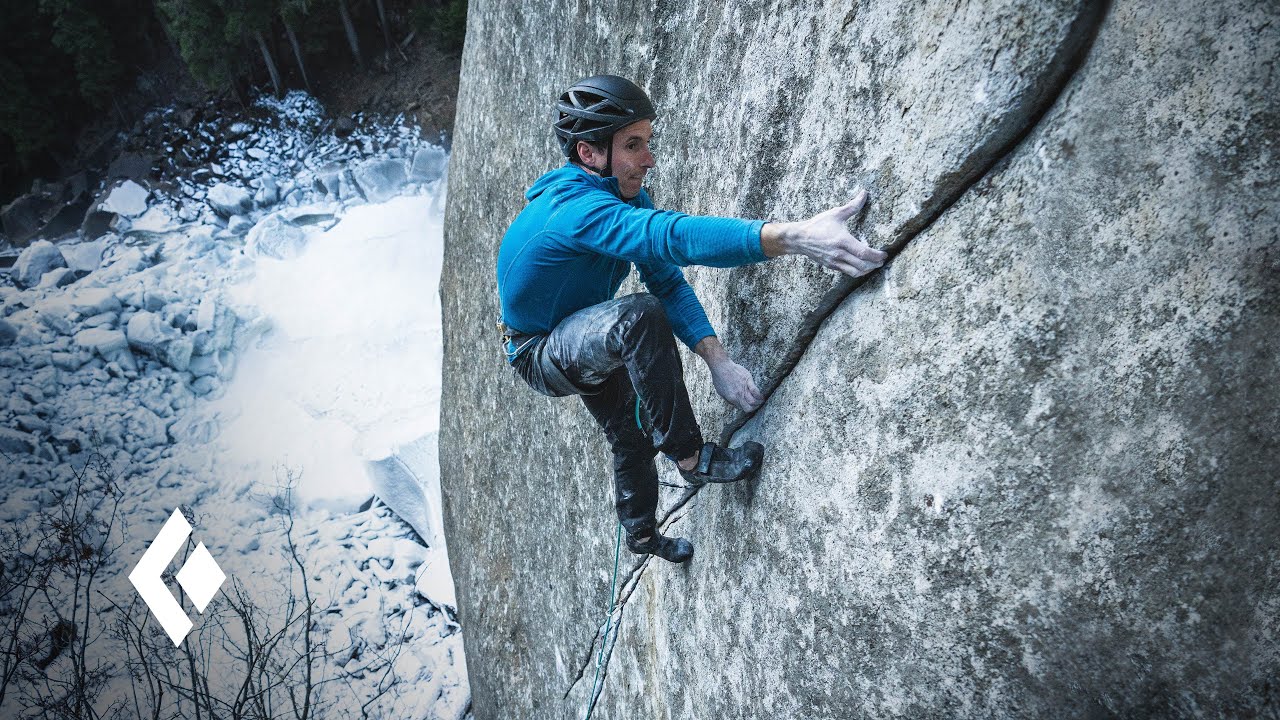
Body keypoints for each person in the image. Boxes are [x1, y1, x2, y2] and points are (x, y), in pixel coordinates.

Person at [497, 75, 887, 563]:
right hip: (540, 350)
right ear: (588, 154)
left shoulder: (625, 199)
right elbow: (671, 238)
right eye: (633, 145)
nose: (649, 159)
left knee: (629, 432)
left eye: (648, 142)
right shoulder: (574, 210)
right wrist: (791, 237)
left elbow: (667, 279)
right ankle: (690, 457)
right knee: (636, 319)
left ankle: (640, 536)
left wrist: (717, 361)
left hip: (583, 329)